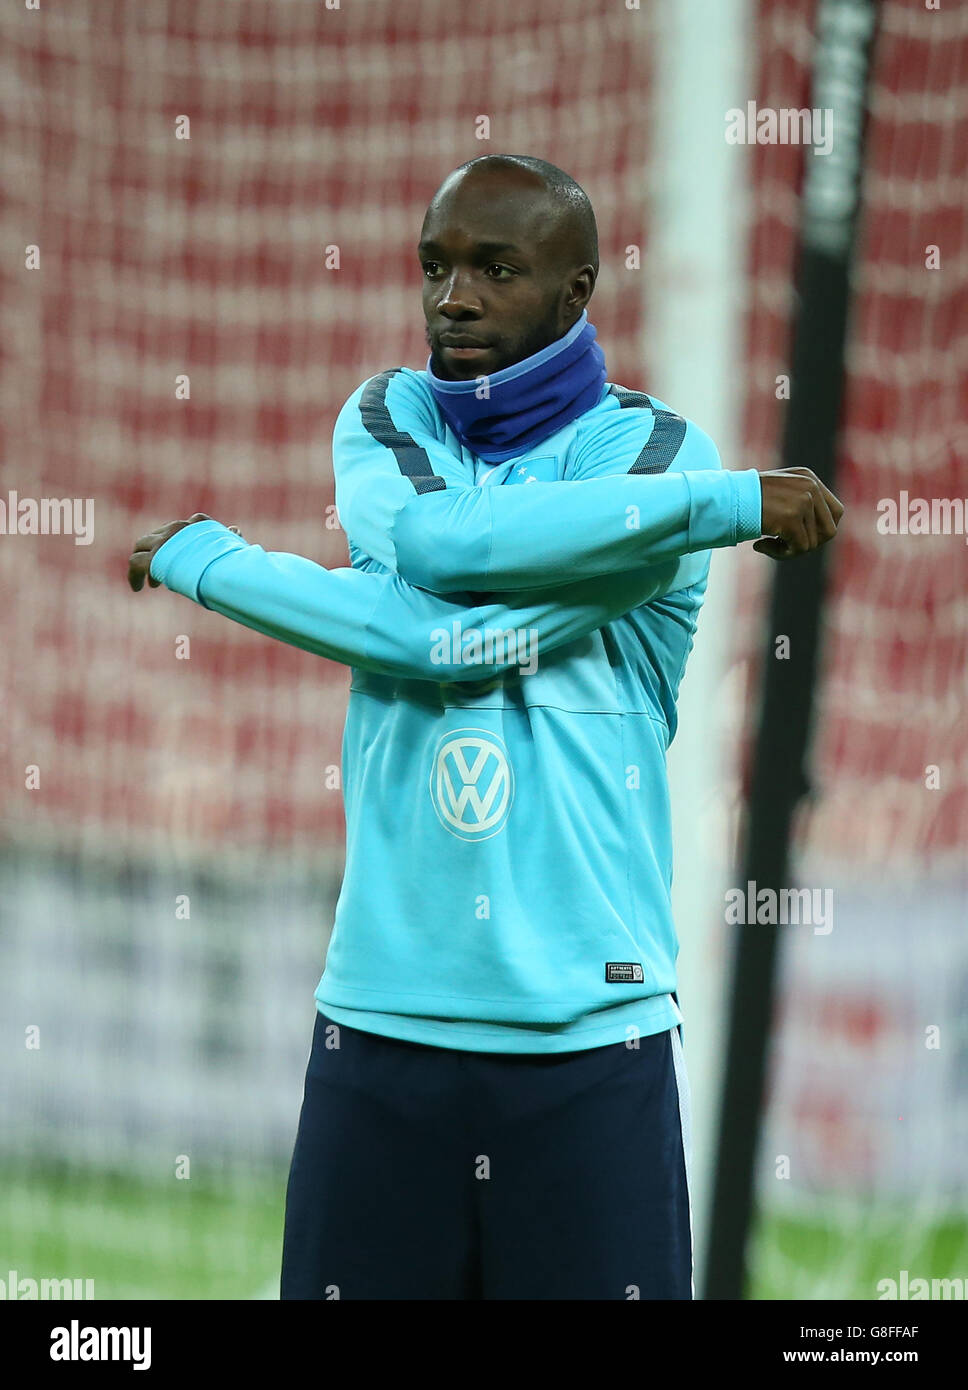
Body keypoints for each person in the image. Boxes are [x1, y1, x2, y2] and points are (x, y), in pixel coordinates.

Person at [128, 154, 844, 1299]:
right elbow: (437, 560)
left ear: (574, 292)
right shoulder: (393, 413)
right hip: (376, 1036)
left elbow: (421, 619)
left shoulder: (657, 457)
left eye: (492, 270)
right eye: (435, 267)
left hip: (586, 1046)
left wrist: (211, 561)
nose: (450, 298)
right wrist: (730, 509)